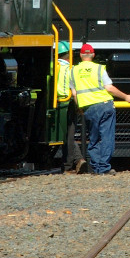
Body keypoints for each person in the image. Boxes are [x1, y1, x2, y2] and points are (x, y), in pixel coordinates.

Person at [70, 43, 130, 175]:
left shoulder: (73, 71)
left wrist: (80, 107)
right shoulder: (99, 68)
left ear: (81, 55)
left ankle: (96, 167)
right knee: (106, 137)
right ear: (93, 55)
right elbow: (109, 88)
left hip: (88, 108)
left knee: (93, 138)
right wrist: (126, 97)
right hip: (105, 105)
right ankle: (104, 168)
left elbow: (74, 93)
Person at [56, 41, 87, 174]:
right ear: (69, 55)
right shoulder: (71, 69)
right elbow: (74, 91)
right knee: (69, 134)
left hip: (56, 102)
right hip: (68, 102)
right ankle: (72, 163)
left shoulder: (53, 66)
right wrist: (79, 105)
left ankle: (73, 162)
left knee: (65, 134)